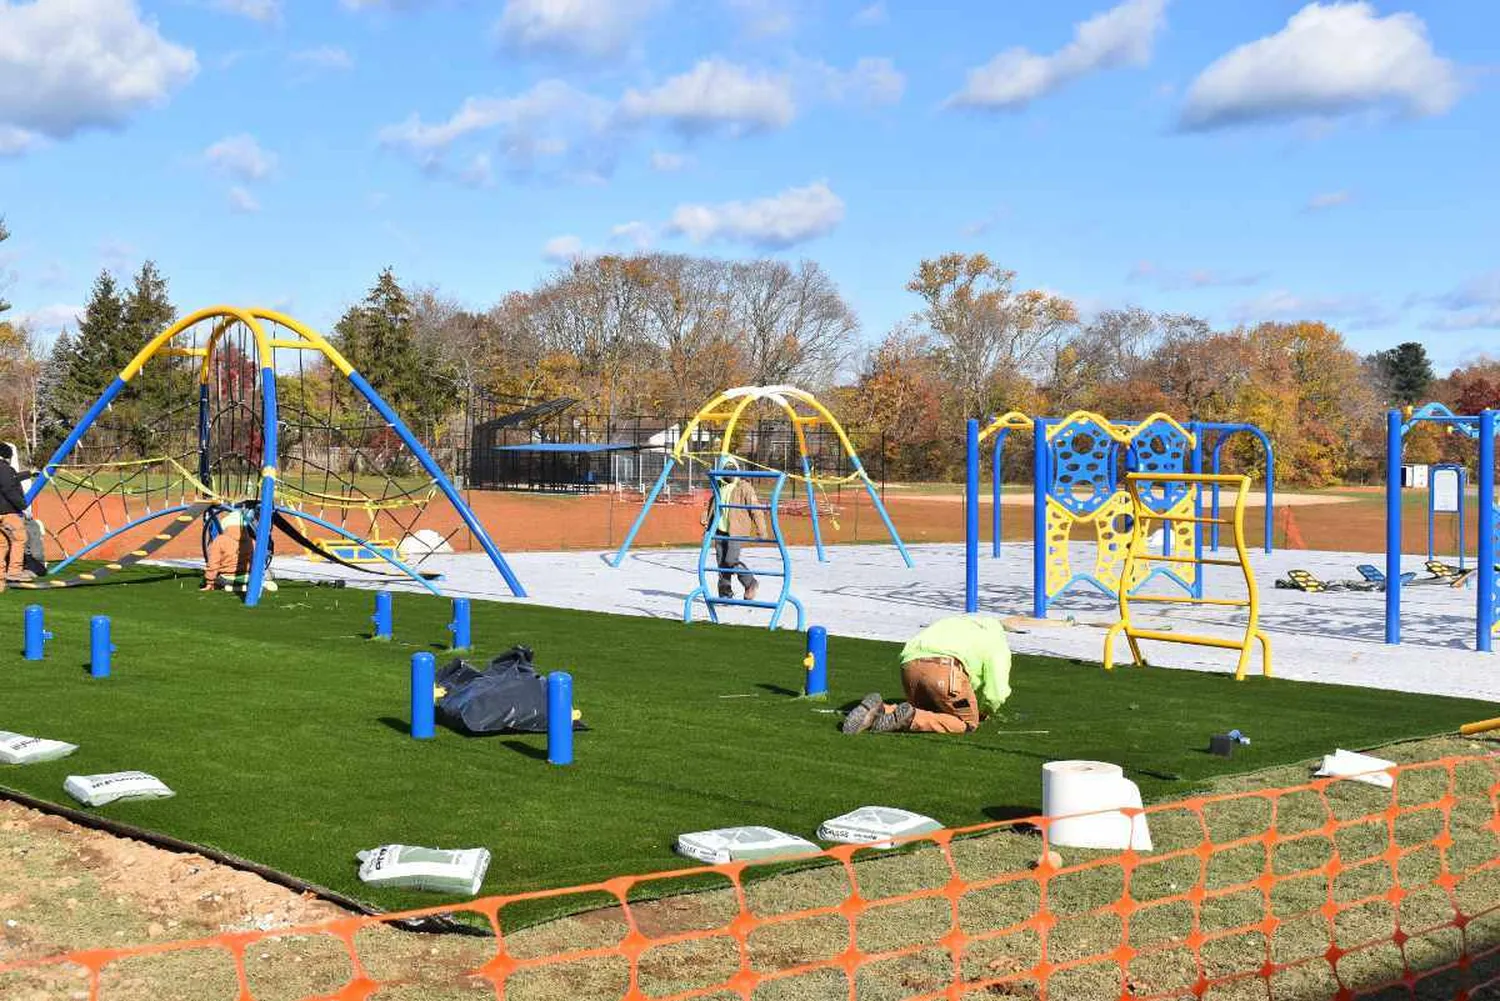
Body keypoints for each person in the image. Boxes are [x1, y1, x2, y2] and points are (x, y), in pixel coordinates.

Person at [842, 614, 1012, 735]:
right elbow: (996, 693)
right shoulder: (995, 638)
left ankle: (882, 709)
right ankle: (911, 718)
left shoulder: (955, 622)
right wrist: (984, 710)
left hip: (909, 668)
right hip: (946, 673)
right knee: (967, 723)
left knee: (931, 710)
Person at [699, 457, 768, 602]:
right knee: (721, 562)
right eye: (726, 470)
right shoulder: (719, 486)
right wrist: (706, 516)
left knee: (731, 560)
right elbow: (712, 504)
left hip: (736, 530)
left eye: (732, 470)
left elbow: (756, 509)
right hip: (719, 530)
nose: (729, 474)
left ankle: (750, 583)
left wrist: (761, 528)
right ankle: (725, 592)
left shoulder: (744, 487)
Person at [0, 443, 32, 588]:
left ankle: (1, 576)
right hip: (7, 512)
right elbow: (8, 487)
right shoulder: (4, 468)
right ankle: (14, 572)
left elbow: (9, 479)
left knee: (2, 544)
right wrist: (24, 507)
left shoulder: (4, 470)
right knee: (19, 539)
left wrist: (28, 473)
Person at [203, 504, 254, 591]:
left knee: (219, 580)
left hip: (226, 578)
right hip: (247, 578)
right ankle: (243, 587)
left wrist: (210, 581)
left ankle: (230, 587)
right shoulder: (252, 541)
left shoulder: (220, 540)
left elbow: (213, 563)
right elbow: (256, 562)